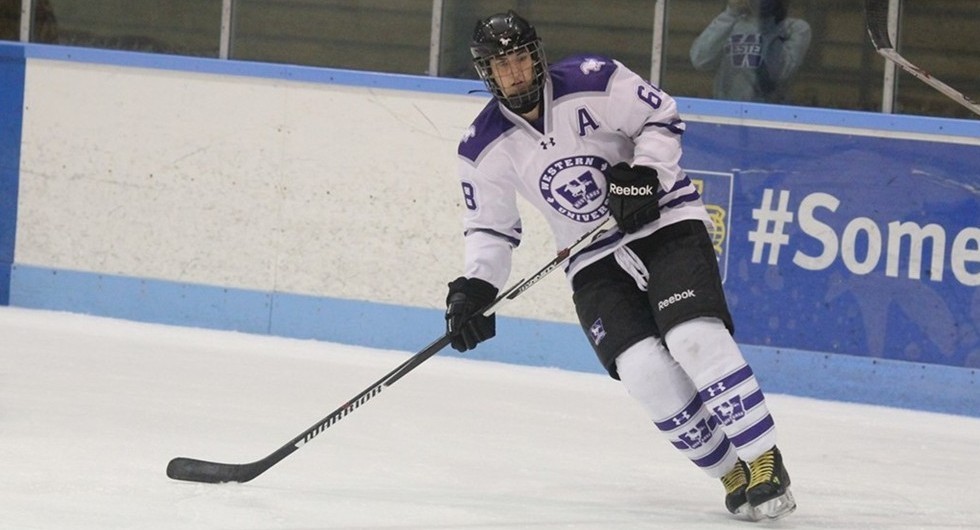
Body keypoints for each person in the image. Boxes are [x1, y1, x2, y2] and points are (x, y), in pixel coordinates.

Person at [443, 10, 796, 521]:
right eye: (503, 65)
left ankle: (764, 460)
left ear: (536, 56)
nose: (516, 72)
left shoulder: (594, 79)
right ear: (487, 73)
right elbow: (490, 230)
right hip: (590, 257)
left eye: (521, 58)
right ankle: (732, 474)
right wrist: (474, 288)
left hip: (664, 220)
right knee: (643, 371)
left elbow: (663, 116)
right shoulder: (482, 148)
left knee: (692, 336)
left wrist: (643, 175)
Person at [690, 0, 811, 103]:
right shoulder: (730, 23)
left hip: (771, 114)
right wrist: (731, 13)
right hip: (726, 111)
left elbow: (780, 74)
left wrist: (770, 23)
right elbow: (700, 60)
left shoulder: (794, 28)